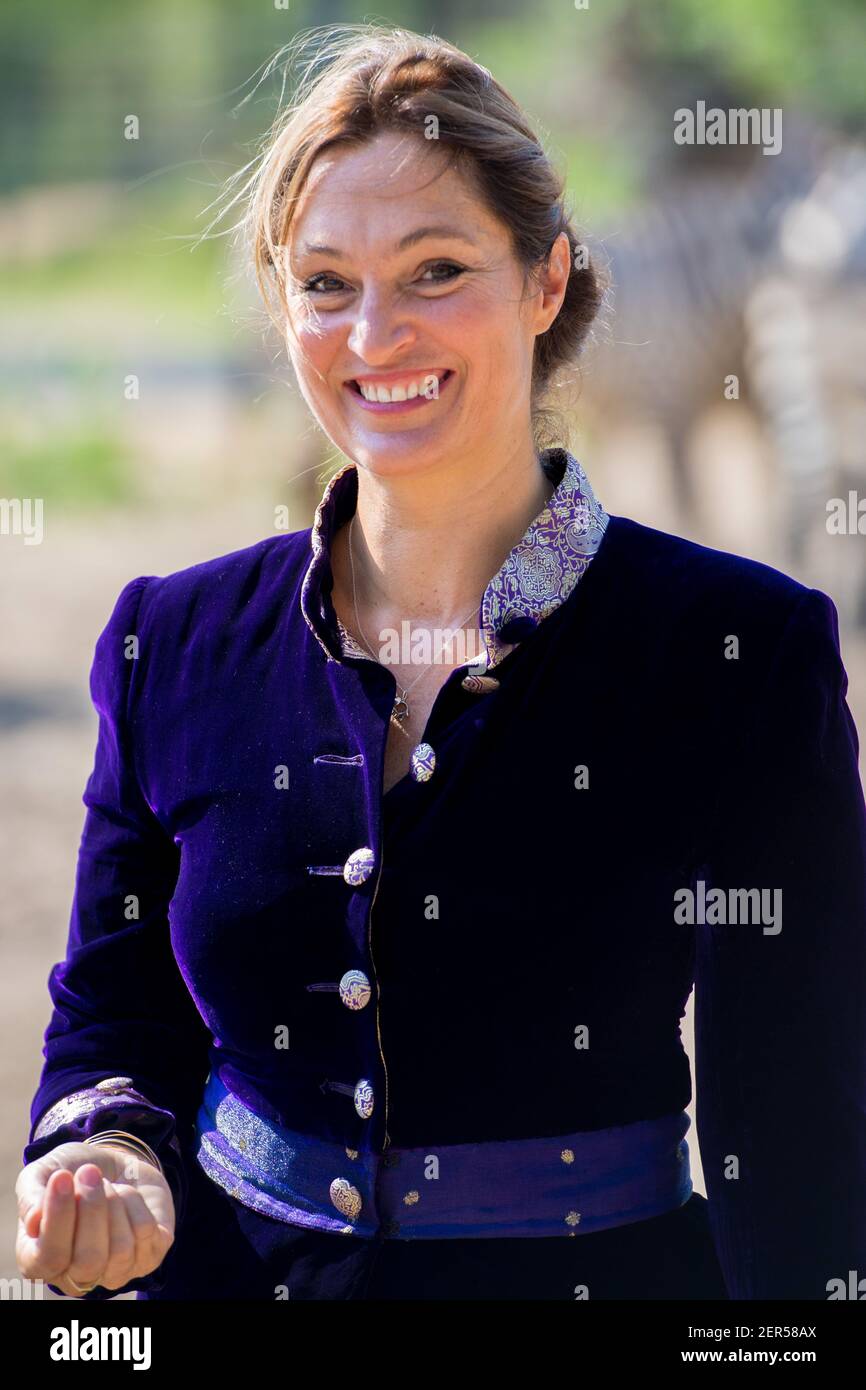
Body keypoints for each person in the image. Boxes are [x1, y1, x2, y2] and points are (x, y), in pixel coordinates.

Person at [16, 25, 866, 1302]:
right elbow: (113, 1019)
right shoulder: (167, 642)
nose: (375, 334)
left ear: (544, 282)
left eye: (434, 270)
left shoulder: (735, 653)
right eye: (323, 284)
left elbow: (792, 1115)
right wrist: (108, 1155)